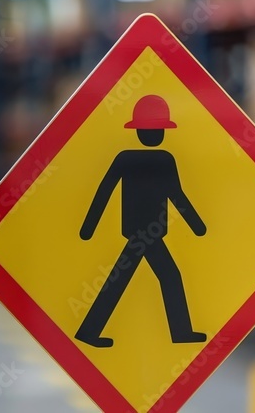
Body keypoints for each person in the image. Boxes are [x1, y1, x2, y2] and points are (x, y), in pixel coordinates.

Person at [75, 95, 207, 349]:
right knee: (165, 276)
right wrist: (196, 225)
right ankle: (179, 332)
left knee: (131, 278)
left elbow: (104, 191)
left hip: (138, 230)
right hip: (149, 232)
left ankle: (89, 331)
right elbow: (176, 195)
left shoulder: (128, 158)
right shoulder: (163, 159)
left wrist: (88, 228)